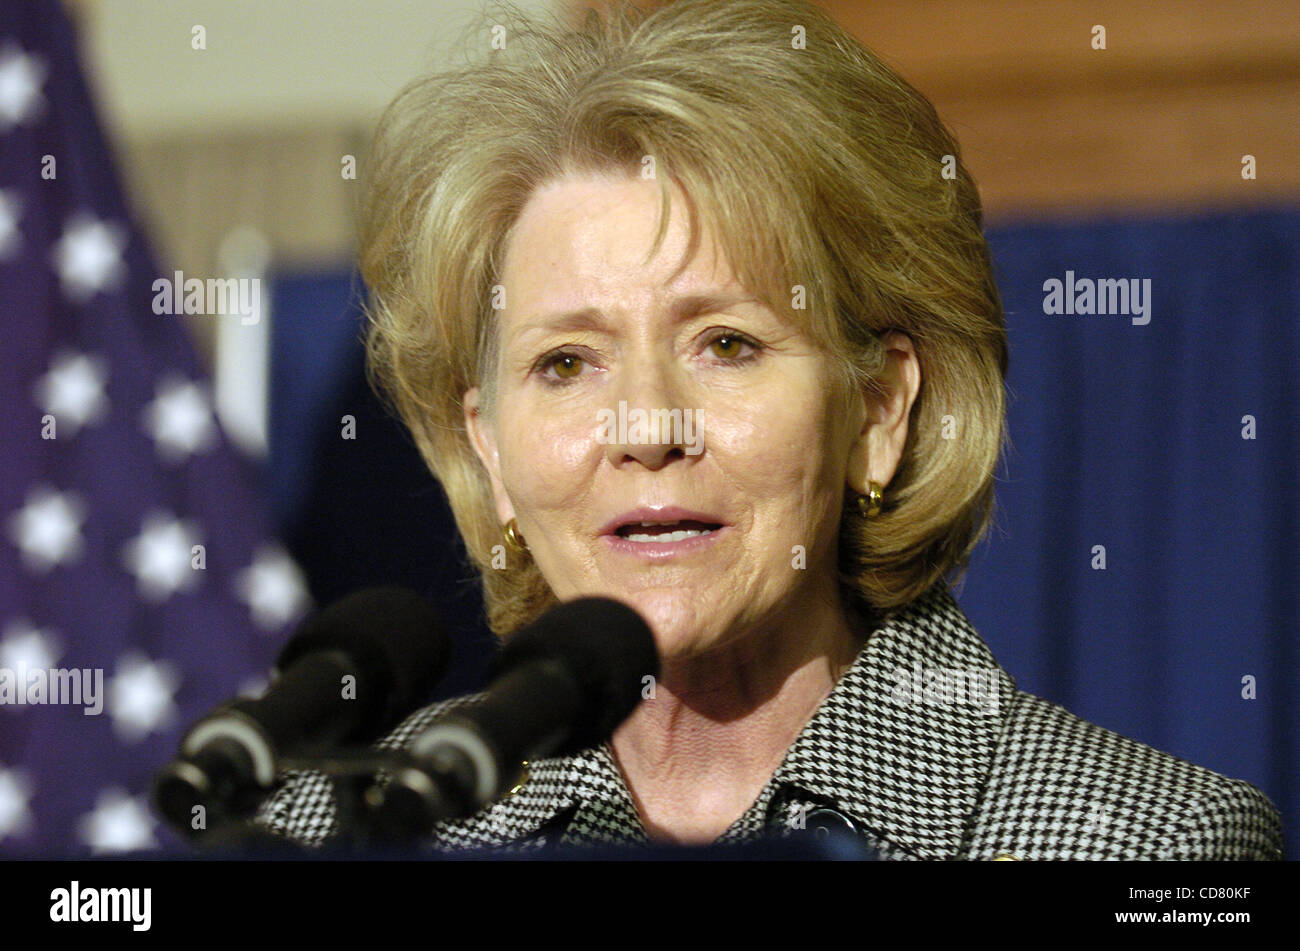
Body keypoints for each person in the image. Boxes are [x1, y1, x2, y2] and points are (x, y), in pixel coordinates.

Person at [257, 0, 1282, 859]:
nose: (646, 427)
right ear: (489, 445)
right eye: (565, 363)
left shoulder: (1148, 846)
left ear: (877, 410)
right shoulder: (337, 829)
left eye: (726, 344)